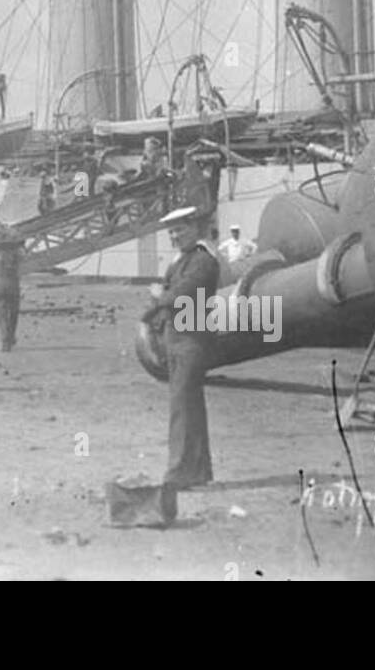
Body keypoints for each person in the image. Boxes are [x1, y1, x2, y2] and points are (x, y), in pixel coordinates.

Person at [145, 206, 219, 524]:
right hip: (179, 340)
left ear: (195, 228)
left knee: (181, 407)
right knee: (189, 406)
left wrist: (159, 295)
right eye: (171, 232)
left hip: (191, 342)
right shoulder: (184, 260)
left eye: (181, 230)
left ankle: (177, 472)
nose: (176, 236)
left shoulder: (202, 260)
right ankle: (198, 470)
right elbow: (170, 297)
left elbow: (180, 295)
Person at [0, 226, 25, 351]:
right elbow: (23, 258)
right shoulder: (16, 254)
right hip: (13, 284)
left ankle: (4, 340)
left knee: (1, 313)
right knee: (14, 313)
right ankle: (11, 335)